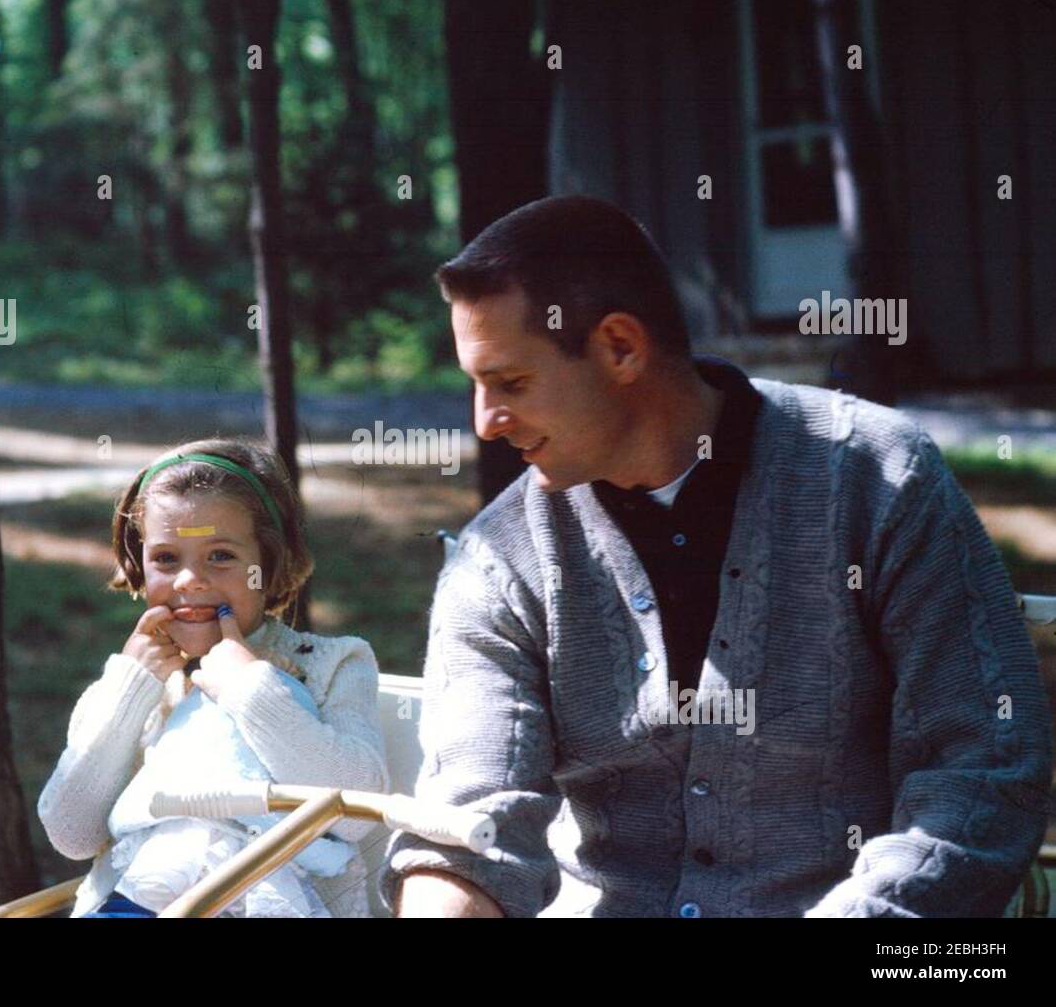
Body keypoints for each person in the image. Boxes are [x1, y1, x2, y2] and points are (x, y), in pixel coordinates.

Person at [378, 195, 1052, 918]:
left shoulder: (879, 476)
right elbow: (470, 821)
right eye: (477, 386)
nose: (484, 424)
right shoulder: (498, 557)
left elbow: (981, 769)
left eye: (510, 384)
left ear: (620, 348)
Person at [38, 437, 390, 917]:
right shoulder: (131, 683)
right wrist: (129, 692)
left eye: (221, 555)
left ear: (267, 564)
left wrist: (250, 691)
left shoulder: (332, 664)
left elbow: (356, 812)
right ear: (139, 566)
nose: (189, 580)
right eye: (165, 558)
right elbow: (72, 834)